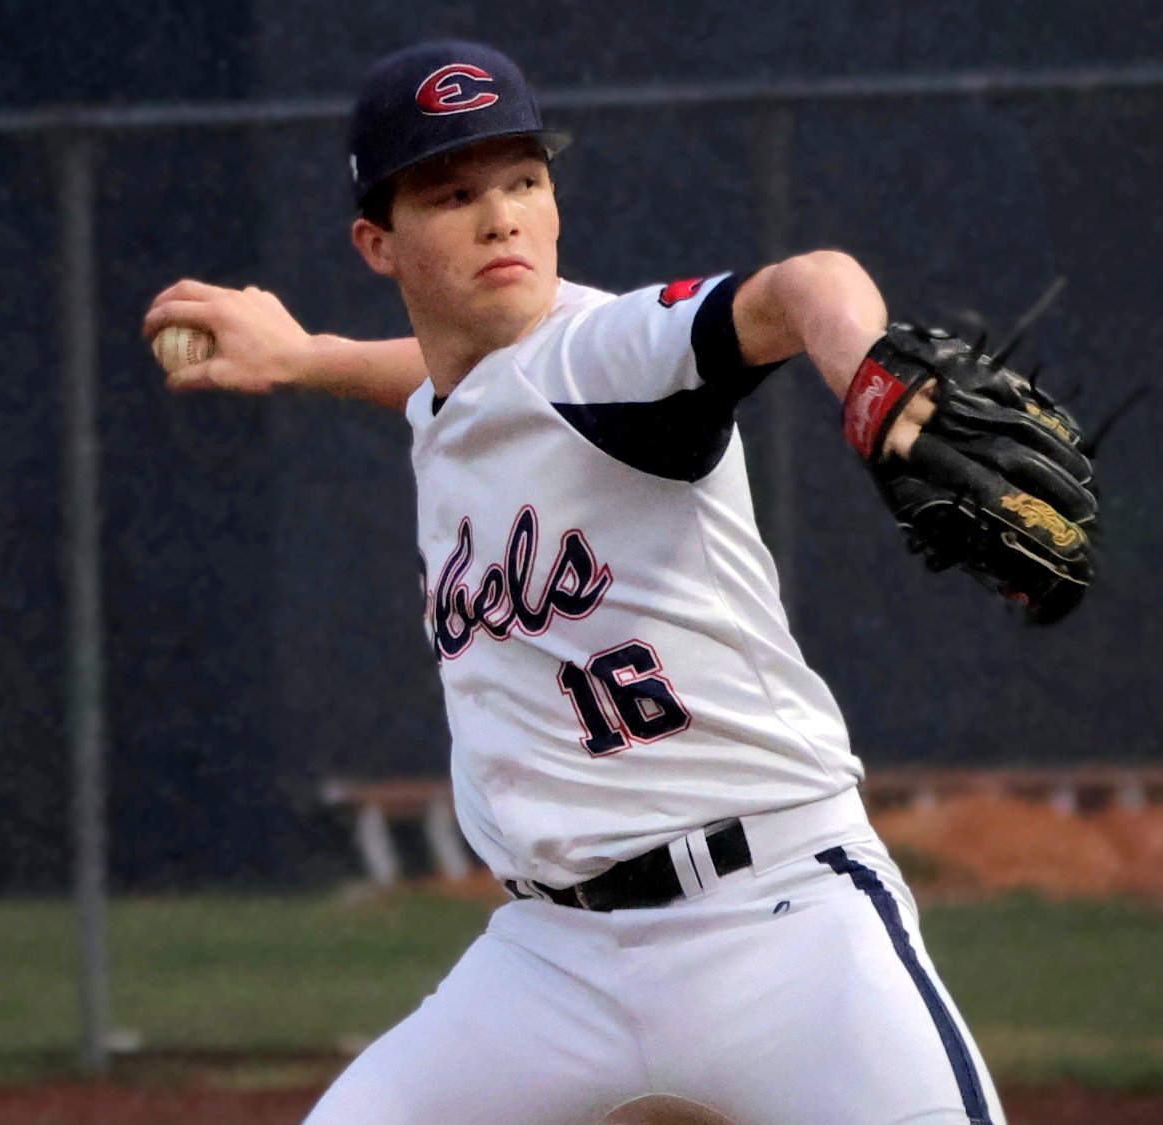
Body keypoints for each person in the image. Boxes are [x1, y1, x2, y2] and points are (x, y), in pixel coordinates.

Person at [146, 41, 1011, 1124]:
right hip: (553, 958)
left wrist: (869, 379)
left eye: (522, 180)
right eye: (452, 194)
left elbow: (806, 285)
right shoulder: (467, 391)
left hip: (779, 922)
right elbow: (458, 381)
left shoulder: (615, 353)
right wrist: (307, 356)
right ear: (378, 243)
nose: (499, 217)